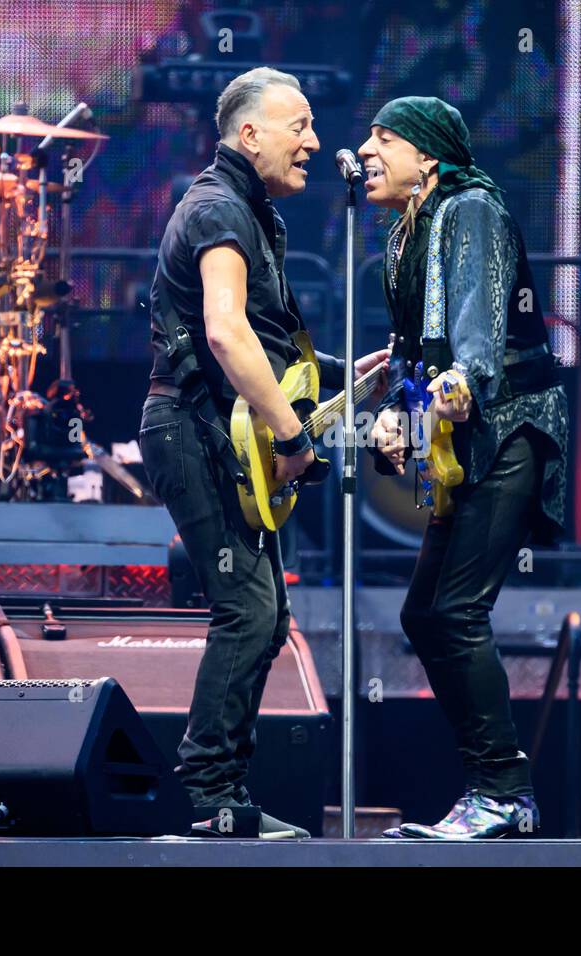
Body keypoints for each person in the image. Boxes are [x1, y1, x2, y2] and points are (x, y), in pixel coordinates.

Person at [141, 66, 387, 839]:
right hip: (194, 427)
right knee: (248, 609)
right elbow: (224, 332)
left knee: (265, 613)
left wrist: (353, 380)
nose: (316, 142)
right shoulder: (218, 207)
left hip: (225, 429)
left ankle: (227, 795)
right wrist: (292, 435)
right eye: (300, 126)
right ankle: (211, 796)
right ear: (250, 135)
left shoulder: (255, 215)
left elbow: (272, 348)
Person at [358, 95, 569, 839]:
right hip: (470, 442)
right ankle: (494, 790)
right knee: (427, 612)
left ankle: (505, 795)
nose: (367, 148)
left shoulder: (469, 208)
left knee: (454, 610)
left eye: (385, 136)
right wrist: (388, 402)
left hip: (509, 431)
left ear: (429, 156)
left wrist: (410, 423)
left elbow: (474, 360)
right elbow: (424, 351)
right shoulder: (408, 230)